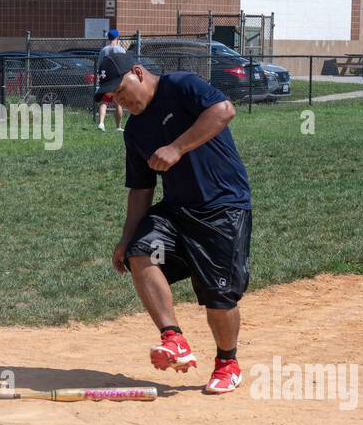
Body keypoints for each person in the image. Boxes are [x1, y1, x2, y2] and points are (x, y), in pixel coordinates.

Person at [97, 51, 251, 395]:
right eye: (112, 96)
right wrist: (125, 239)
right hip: (177, 209)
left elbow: (224, 111)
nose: (118, 99)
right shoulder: (134, 131)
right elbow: (141, 187)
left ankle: (228, 363)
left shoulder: (180, 85)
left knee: (219, 297)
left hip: (223, 206)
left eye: (120, 90)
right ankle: (174, 338)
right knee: (141, 251)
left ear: (138, 72)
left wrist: (177, 148)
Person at [96, 29, 126, 132]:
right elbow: (124, 65)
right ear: (117, 38)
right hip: (117, 79)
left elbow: (100, 65)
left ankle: (101, 124)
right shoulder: (121, 50)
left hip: (106, 79)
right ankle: (118, 127)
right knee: (118, 103)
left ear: (108, 38)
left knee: (104, 102)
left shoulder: (103, 50)